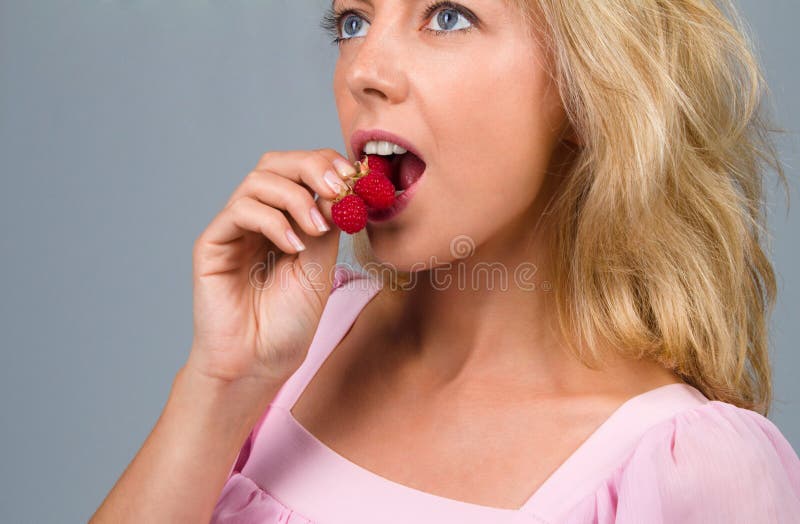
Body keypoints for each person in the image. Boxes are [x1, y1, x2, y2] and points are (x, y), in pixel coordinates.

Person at [91, 0, 800, 522]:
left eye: (449, 17)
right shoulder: (289, 353)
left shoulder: (690, 472)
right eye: (352, 22)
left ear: (591, 93)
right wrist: (221, 382)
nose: (364, 71)